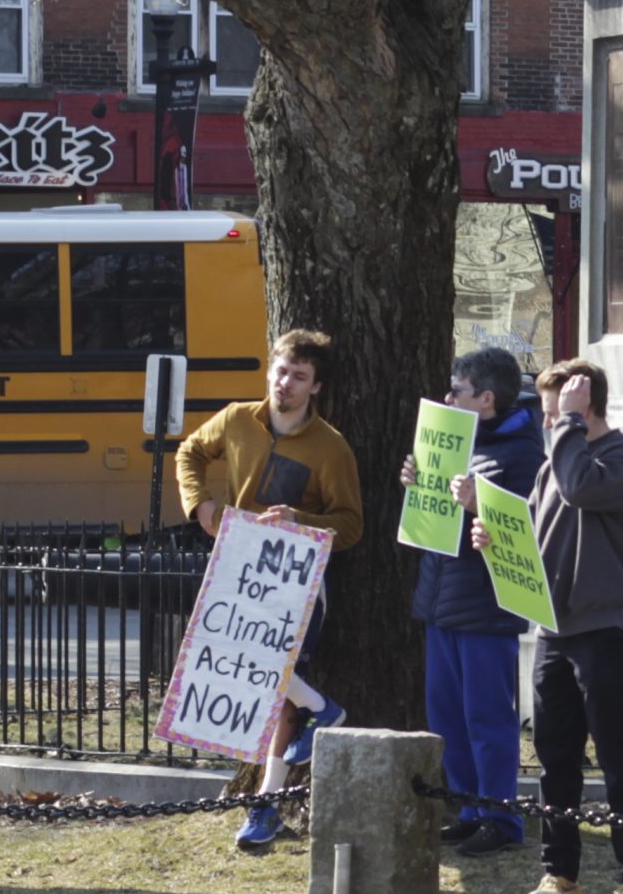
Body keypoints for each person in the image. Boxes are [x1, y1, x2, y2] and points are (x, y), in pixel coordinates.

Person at [470, 359, 623, 894]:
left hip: (606, 625)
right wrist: (491, 533)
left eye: (555, 409)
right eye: (551, 412)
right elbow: (535, 530)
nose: (547, 419)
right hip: (553, 625)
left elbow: (580, 490)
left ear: (584, 404)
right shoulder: (557, 459)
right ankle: (561, 872)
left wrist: (569, 426)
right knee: (555, 754)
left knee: (617, 752)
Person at [175, 328, 365, 852]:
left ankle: (266, 803)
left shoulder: (331, 448)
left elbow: (351, 526)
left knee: (277, 691)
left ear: (316, 387)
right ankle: (323, 709)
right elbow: (189, 453)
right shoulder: (237, 418)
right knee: (250, 675)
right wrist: (201, 507)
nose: (285, 383)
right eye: (281, 371)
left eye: (299, 377)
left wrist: (299, 517)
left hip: (297, 581)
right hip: (234, 570)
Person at [398, 349, 544, 858]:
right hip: (442, 598)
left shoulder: (522, 451)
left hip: (485, 606)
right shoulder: (456, 441)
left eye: (457, 389)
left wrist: (479, 503)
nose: (448, 397)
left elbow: (527, 526)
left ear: (486, 398)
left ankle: (502, 817)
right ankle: (468, 808)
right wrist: (417, 485)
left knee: (487, 717)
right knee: (447, 716)